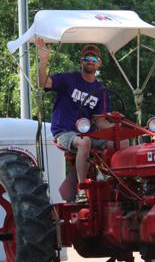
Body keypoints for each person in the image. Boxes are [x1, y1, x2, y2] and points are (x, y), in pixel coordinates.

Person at [36, 37, 111, 197]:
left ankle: (120, 184)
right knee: (85, 142)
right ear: (81, 61)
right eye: (87, 58)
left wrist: (119, 130)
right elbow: (42, 83)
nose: (90, 61)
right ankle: (82, 188)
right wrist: (43, 60)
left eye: (94, 58)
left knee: (121, 140)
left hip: (86, 133)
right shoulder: (68, 79)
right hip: (64, 132)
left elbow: (100, 121)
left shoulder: (101, 90)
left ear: (99, 63)